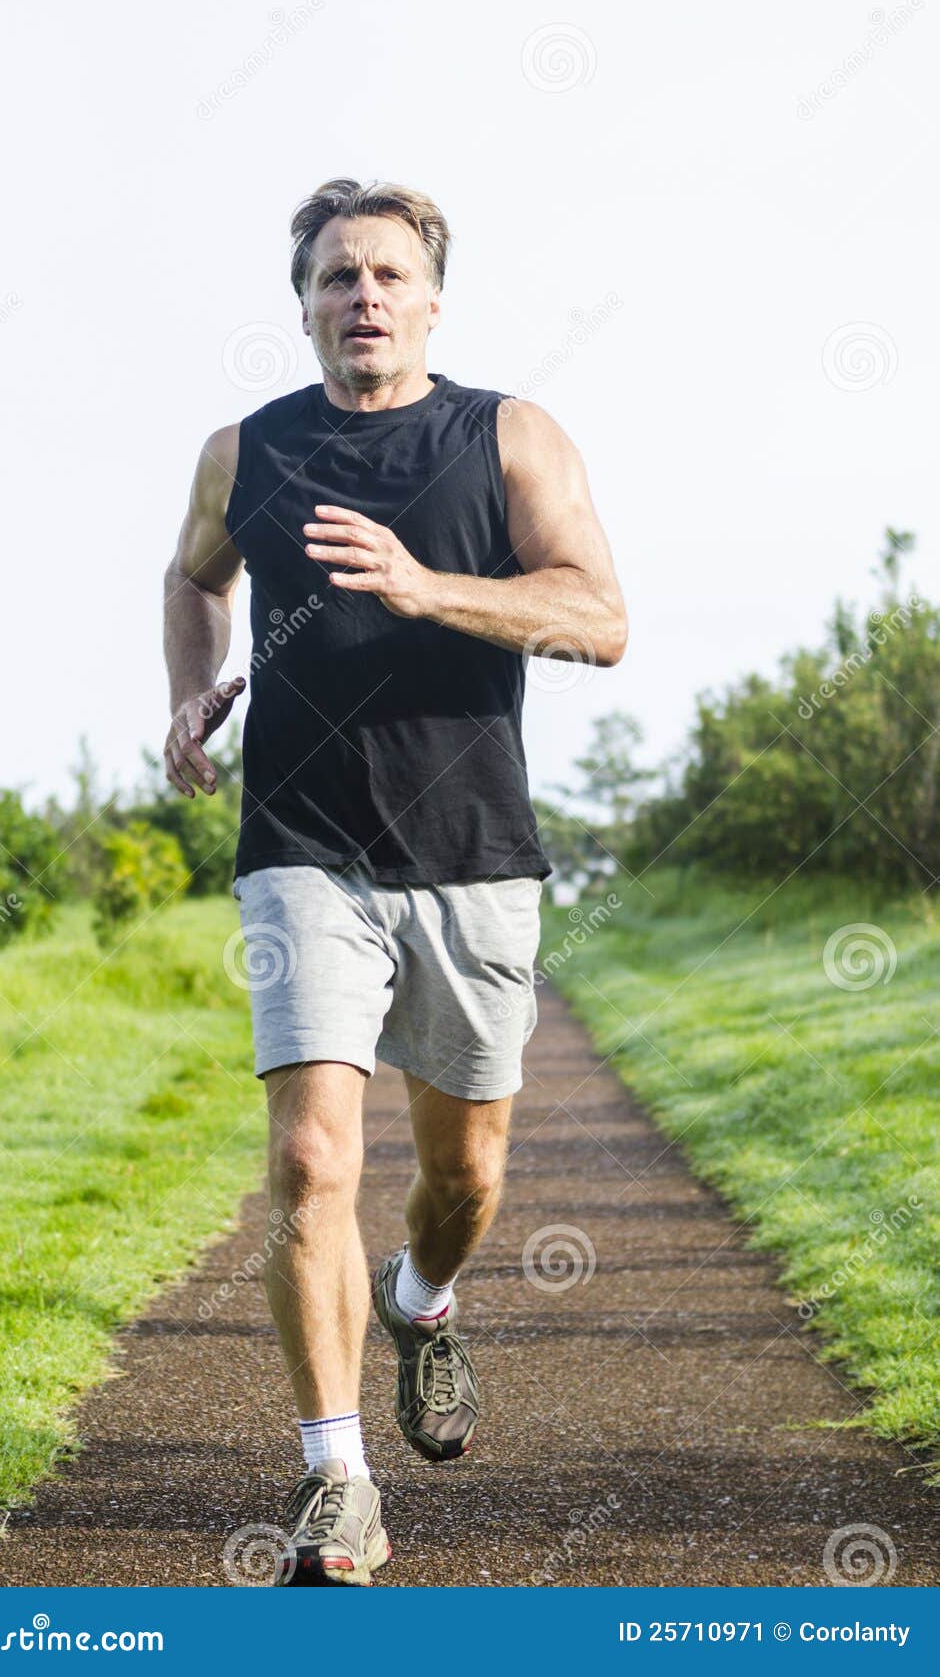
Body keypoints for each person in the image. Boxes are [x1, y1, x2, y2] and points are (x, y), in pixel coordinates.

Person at [163, 178, 627, 1586]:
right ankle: (338, 1482)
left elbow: (601, 616)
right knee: (310, 1161)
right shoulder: (246, 450)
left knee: (463, 1173)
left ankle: (424, 1303)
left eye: (386, 274)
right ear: (301, 302)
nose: (361, 294)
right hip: (302, 847)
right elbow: (194, 577)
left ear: (431, 298)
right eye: (334, 276)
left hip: (474, 854)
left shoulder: (508, 436)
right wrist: (189, 695)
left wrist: (430, 588)